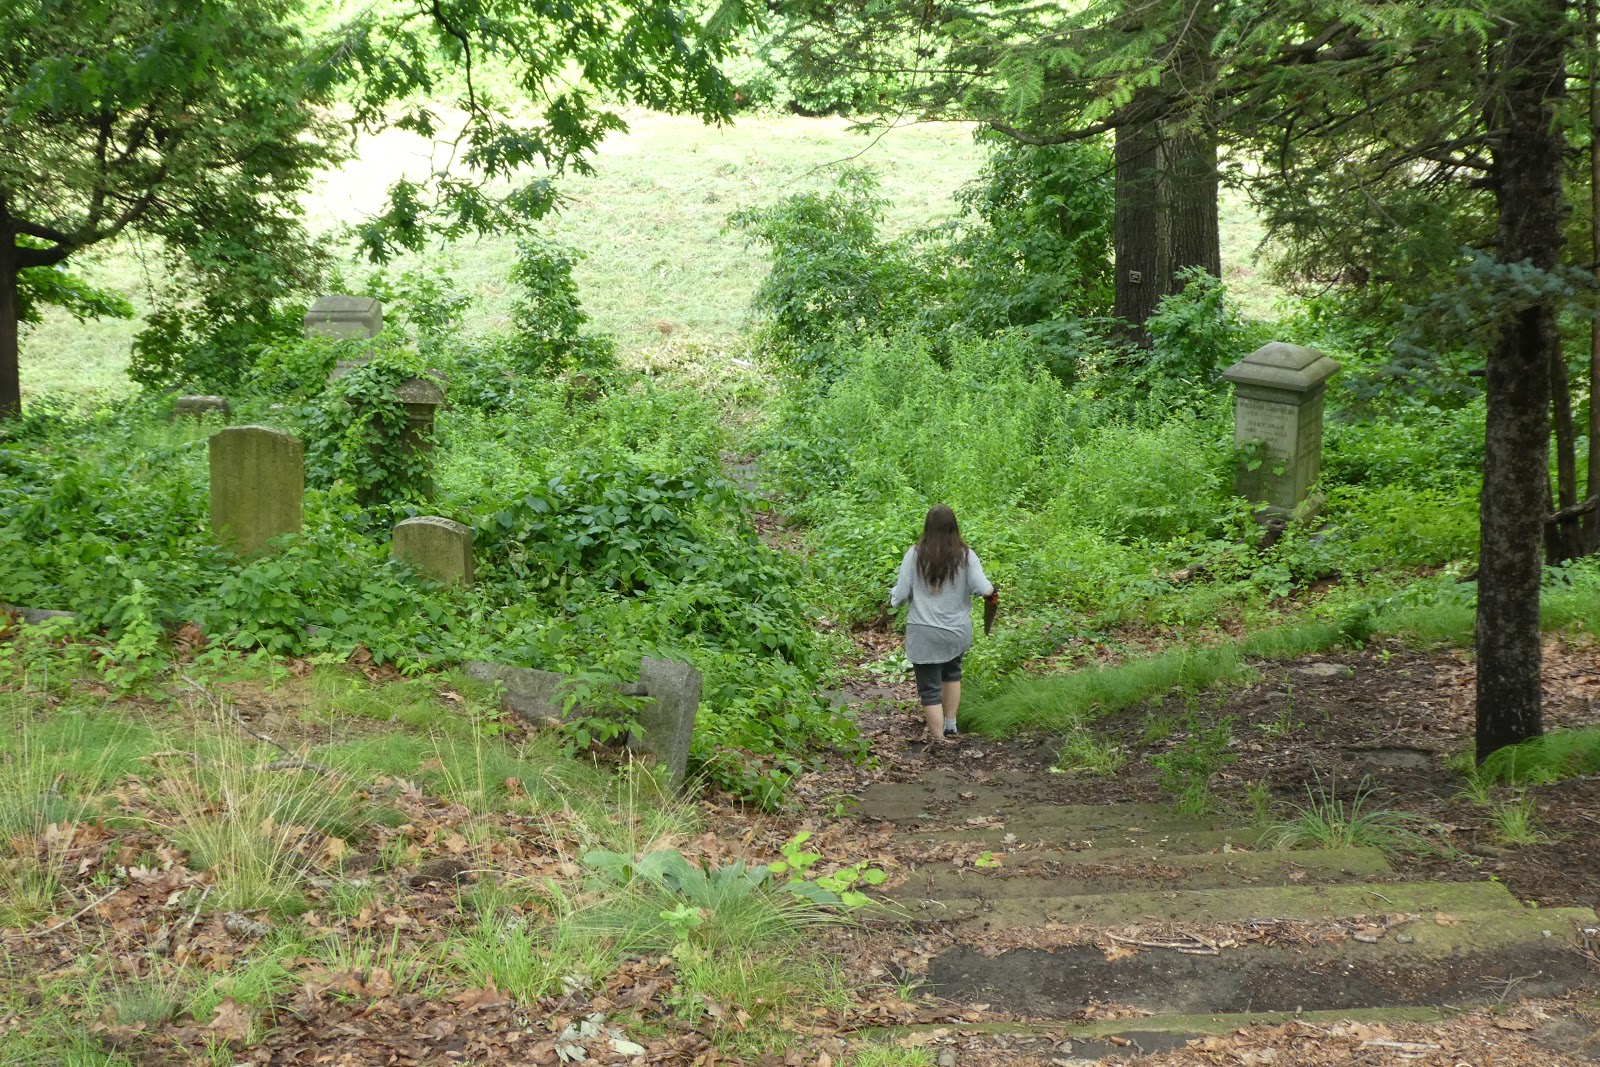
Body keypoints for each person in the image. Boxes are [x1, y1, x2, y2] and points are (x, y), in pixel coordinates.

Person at [889, 505, 998, 744]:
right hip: (956, 630)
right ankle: (951, 726)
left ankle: (938, 741)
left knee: (929, 689)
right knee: (952, 675)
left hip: (924, 631)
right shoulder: (966, 555)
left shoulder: (915, 554)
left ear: (927, 527)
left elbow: (900, 595)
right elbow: (985, 589)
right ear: (954, 527)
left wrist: (894, 596)